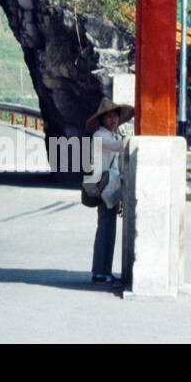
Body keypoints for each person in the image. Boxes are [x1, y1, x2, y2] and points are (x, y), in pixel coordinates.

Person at [85, 97, 132, 284]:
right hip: (103, 187)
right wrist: (133, 139)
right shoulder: (100, 136)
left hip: (112, 187)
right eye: (109, 116)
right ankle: (99, 271)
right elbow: (119, 147)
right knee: (105, 229)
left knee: (109, 230)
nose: (113, 119)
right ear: (102, 119)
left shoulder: (113, 135)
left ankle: (105, 270)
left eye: (115, 116)